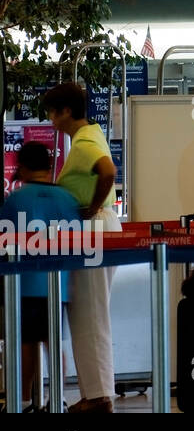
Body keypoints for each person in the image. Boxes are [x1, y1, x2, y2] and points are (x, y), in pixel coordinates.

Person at [42, 82, 119, 414]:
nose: (50, 119)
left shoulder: (86, 141)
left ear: (66, 111)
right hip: (98, 228)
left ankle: (99, 396)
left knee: (88, 313)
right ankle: (96, 393)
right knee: (89, 313)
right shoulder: (89, 136)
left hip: (95, 228)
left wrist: (92, 207)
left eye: (52, 112)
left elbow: (108, 171)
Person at [1, 143, 80, 412]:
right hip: (58, 285)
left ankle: (21, 402)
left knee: (25, 343)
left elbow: (3, 241)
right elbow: (78, 242)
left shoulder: (15, 200)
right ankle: (58, 398)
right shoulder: (67, 199)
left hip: (24, 284)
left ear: (22, 168)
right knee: (53, 341)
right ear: (49, 167)